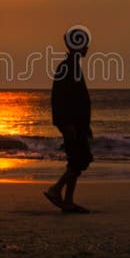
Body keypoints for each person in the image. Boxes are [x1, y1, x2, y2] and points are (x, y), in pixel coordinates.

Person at [44, 27, 93, 214]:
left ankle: (68, 201)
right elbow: (59, 99)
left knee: (76, 161)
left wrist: (86, 126)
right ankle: (56, 189)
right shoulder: (67, 67)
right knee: (80, 159)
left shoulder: (73, 65)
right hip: (71, 123)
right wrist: (66, 124)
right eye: (85, 45)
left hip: (78, 123)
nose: (87, 48)